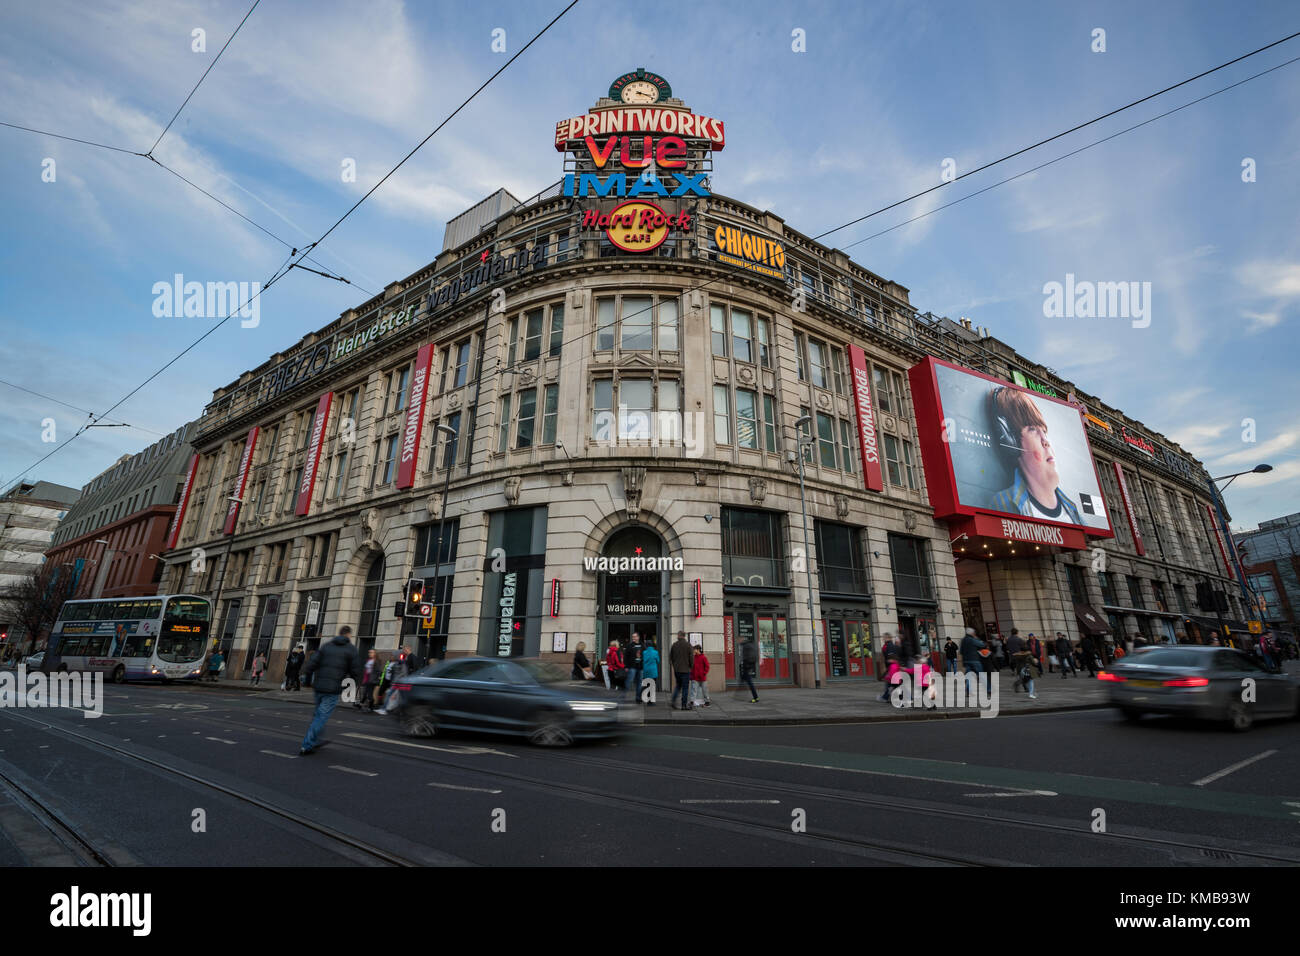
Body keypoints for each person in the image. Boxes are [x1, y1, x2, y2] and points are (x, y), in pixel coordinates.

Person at [988, 385, 1084, 523]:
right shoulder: (1003, 504)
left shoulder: (1074, 512)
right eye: (1032, 429)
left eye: (1044, 430)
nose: (1046, 441)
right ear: (1011, 441)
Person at [300, 625, 362, 755]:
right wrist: (354, 685)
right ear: (349, 635)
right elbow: (355, 671)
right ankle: (307, 744)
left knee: (318, 715)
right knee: (321, 717)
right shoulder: (351, 649)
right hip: (333, 688)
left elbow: (312, 664)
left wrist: (306, 681)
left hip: (319, 686)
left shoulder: (326, 646)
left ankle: (315, 740)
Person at [376, 647, 411, 715]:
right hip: (397, 682)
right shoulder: (397, 663)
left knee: (393, 696)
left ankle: (384, 709)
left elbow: (404, 673)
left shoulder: (401, 663)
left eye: (393, 655)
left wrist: (398, 681)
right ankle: (387, 709)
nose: (391, 656)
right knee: (397, 697)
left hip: (398, 683)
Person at [1007, 630, 1037, 699]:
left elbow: (1008, 648)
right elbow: (1033, 662)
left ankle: (1022, 686)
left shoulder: (1009, 640)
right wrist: (1036, 661)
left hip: (1019, 667)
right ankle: (1030, 693)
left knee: (1022, 678)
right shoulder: (1029, 654)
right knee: (1030, 680)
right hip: (1029, 669)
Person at [670, 632, 694, 710]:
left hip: (677, 670)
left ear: (679, 636)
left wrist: (674, 666)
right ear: (684, 636)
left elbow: (671, 657)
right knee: (685, 688)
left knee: (678, 685)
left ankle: (673, 701)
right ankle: (684, 705)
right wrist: (691, 666)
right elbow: (691, 658)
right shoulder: (688, 645)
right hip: (686, 670)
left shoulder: (674, 645)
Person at [960, 627, 987, 694]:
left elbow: (961, 651)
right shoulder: (972, 639)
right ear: (972, 633)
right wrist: (977, 639)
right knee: (981, 675)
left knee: (969, 676)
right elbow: (982, 645)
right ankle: (988, 689)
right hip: (974, 660)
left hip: (966, 661)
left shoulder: (963, 640)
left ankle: (969, 691)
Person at [624, 632, 644, 703]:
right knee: (629, 680)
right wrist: (626, 666)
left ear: (638, 637)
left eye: (635, 637)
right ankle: (623, 695)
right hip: (632, 666)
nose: (633, 638)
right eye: (633, 637)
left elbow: (645, 655)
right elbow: (625, 656)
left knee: (640, 683)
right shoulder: (630, 646)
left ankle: (638, 698)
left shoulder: (642, 645)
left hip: (640, 667)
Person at [739, 635, 759, 703]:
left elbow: (745, 657)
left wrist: (745, 665)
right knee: (743, 679)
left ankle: (755, 697)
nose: (738, 640)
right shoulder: (750, 644)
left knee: (749, 682)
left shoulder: (745, 646)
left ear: (742, 639)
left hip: (747, 666)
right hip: (749, 665)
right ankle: (739, 694)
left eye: (739, 639)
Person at [641, 639, 659, 704]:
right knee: (652, 685)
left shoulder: (644, 652)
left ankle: (646, 699)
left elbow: (642, 660)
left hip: (646, 671)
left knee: (647, 685)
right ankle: (651, 700)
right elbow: (658, 661)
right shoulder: (655, 652)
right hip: (653, 671)